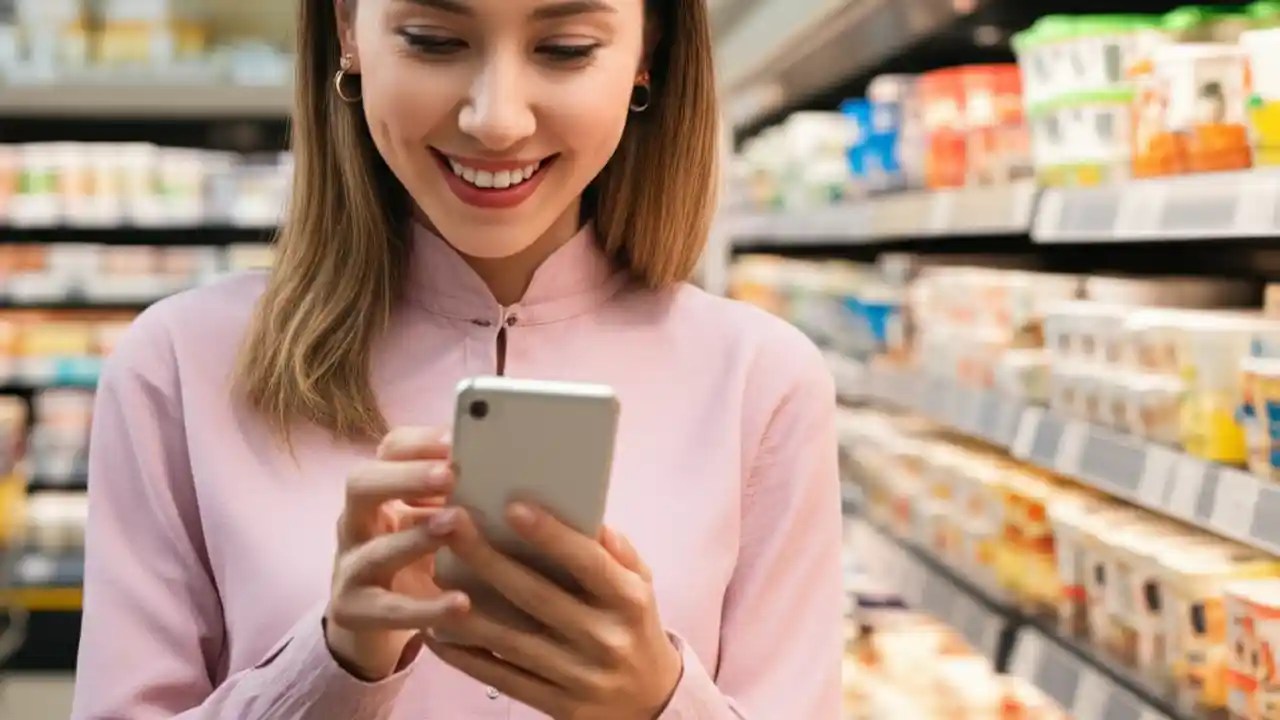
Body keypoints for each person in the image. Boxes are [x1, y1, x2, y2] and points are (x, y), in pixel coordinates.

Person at [70, 0, 843, 717]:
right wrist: (334, 661)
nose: (496, 120)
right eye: (434, 40)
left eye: (566, 48)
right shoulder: (179, 364)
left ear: (650, 51)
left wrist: (658, 701)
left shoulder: (760, 382)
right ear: (348, 29)